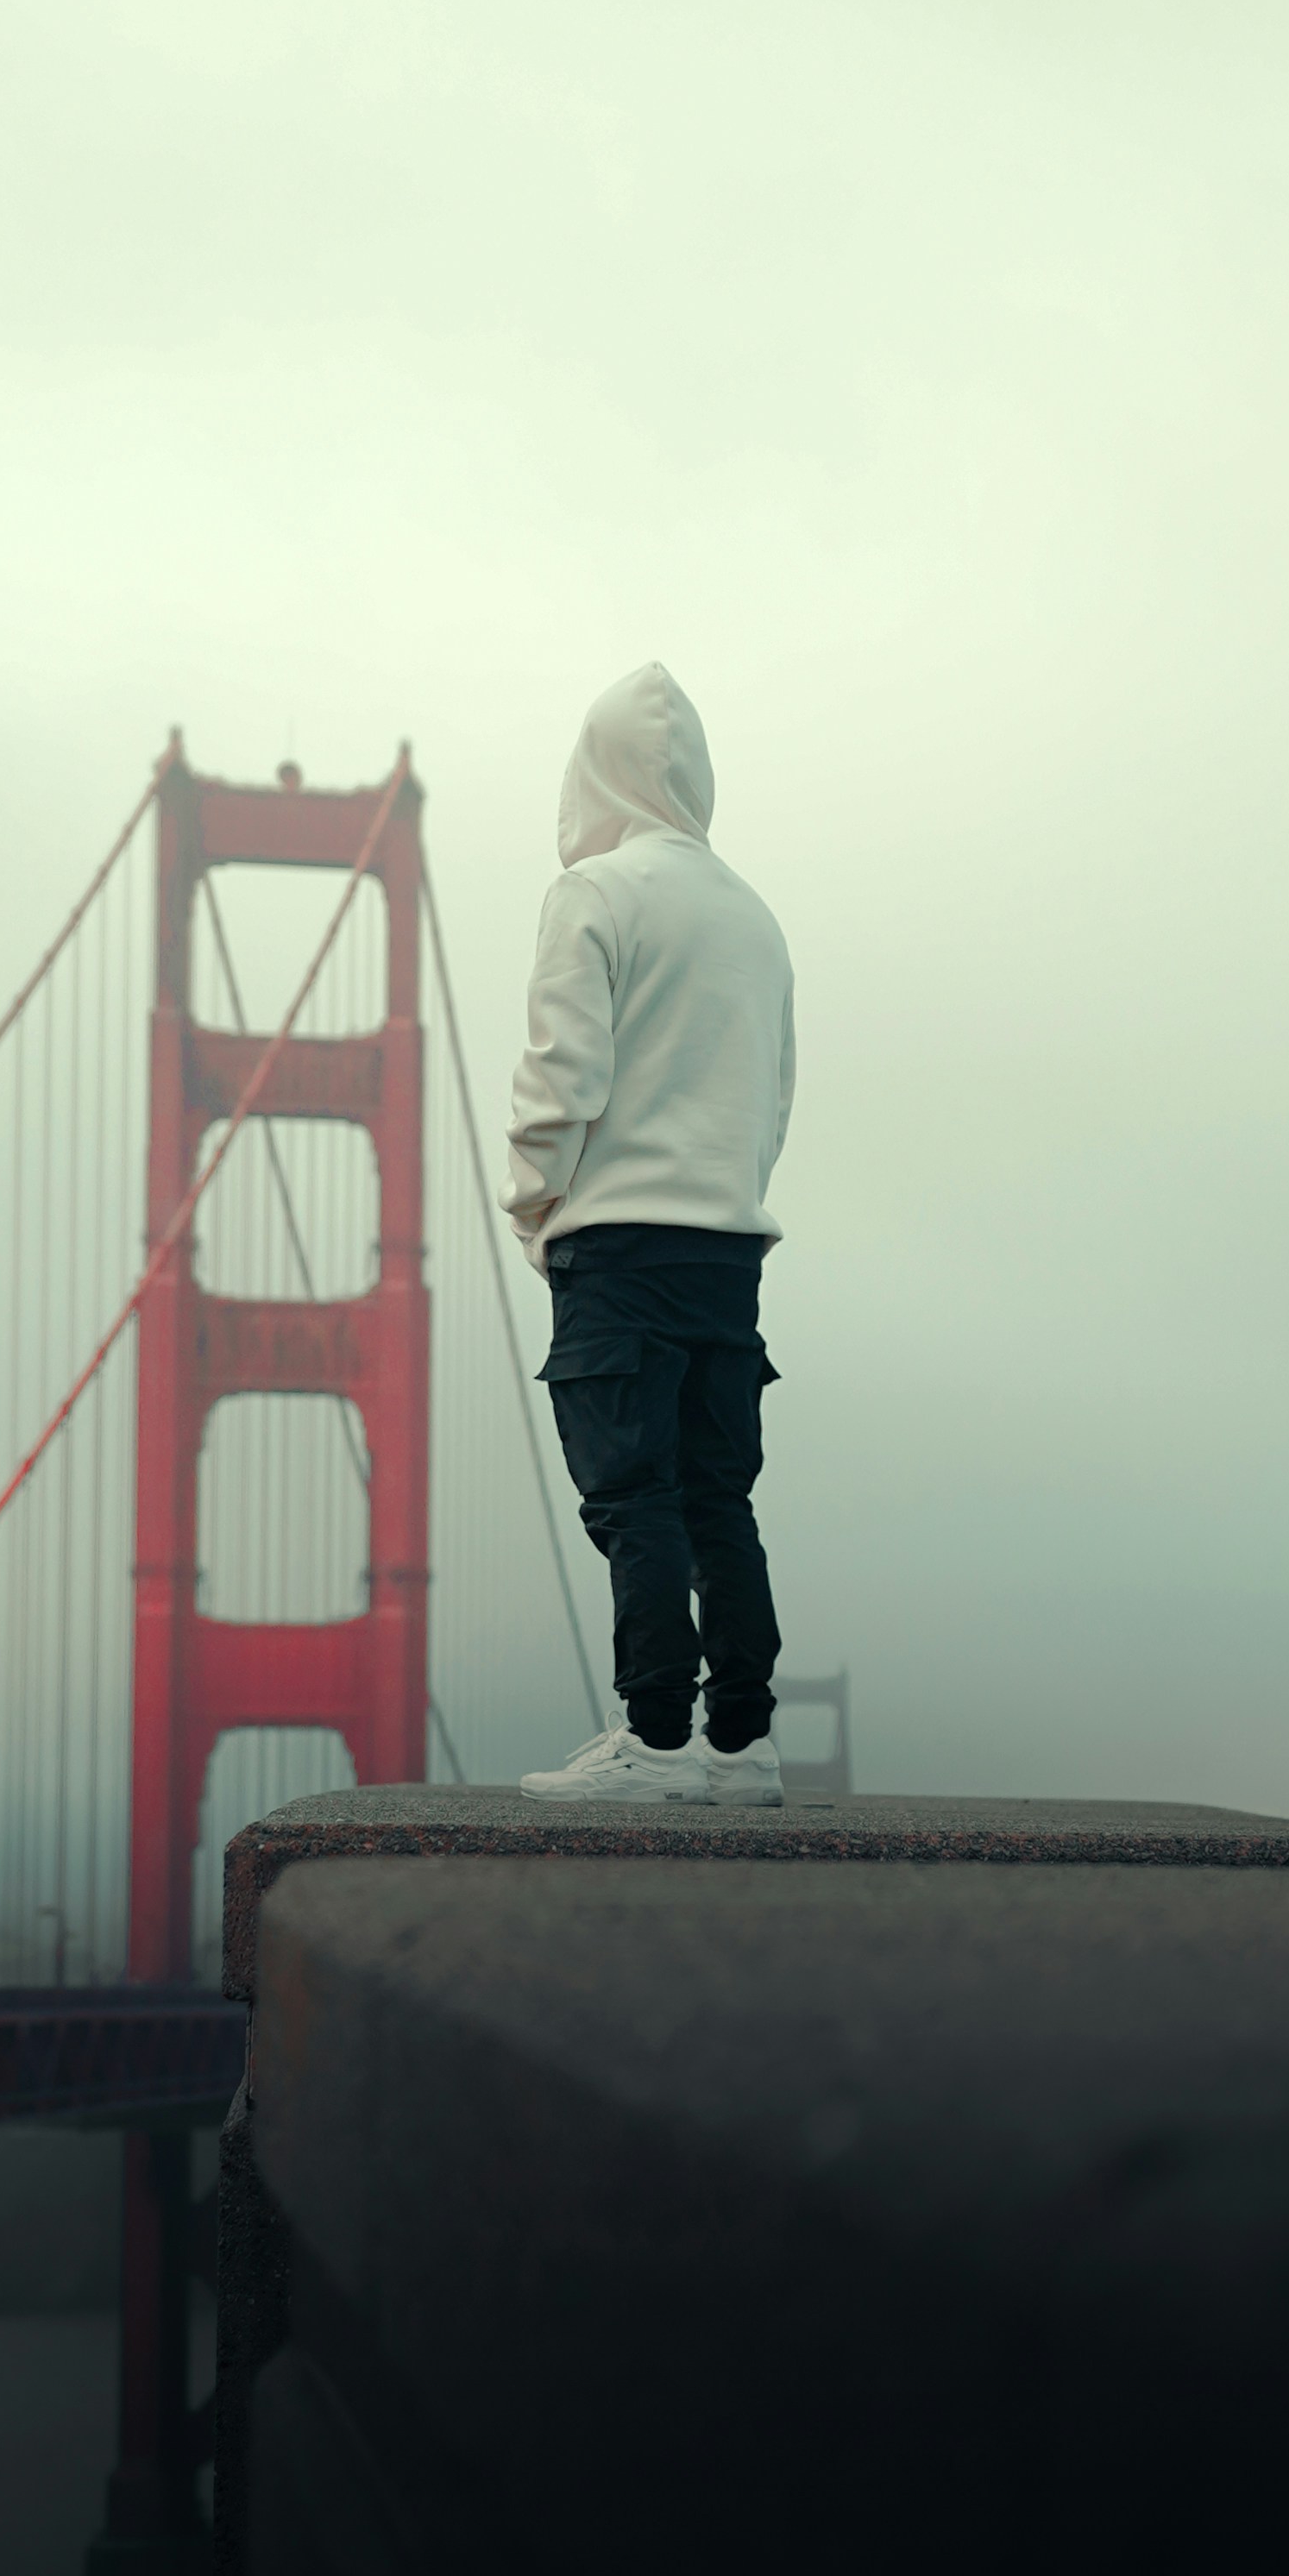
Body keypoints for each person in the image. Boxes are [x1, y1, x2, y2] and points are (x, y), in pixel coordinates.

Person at [501, 662, 795, 1805]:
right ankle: (741, 1744)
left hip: (617, 1244)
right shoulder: (753, 915)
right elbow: (773, 1092)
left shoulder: (594, 896)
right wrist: (728, 1192)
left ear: (595, 772)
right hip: (729, 1247)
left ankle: (657, 1742)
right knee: (720, 1497)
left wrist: (540, 1209)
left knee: (635, 1497)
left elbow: (558, 1079)